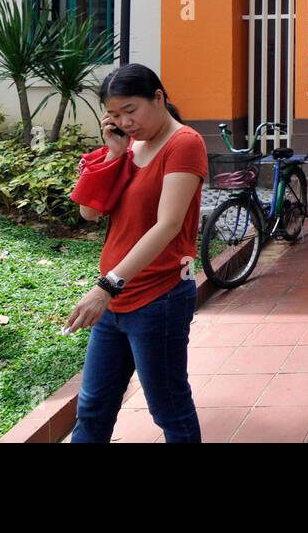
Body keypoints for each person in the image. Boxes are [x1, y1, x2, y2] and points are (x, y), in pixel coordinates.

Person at [66, 64, 208, 443]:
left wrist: (106, 286)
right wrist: (113, 156)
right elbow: (90, 213)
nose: (125, 122)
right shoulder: (127, 145)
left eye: (131, 110)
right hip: (114, 298)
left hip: (158, 297)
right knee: (93, 409)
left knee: (169, 410)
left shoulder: (185, 143)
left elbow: (167, 226)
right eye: (114, 115)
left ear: (158, 98)